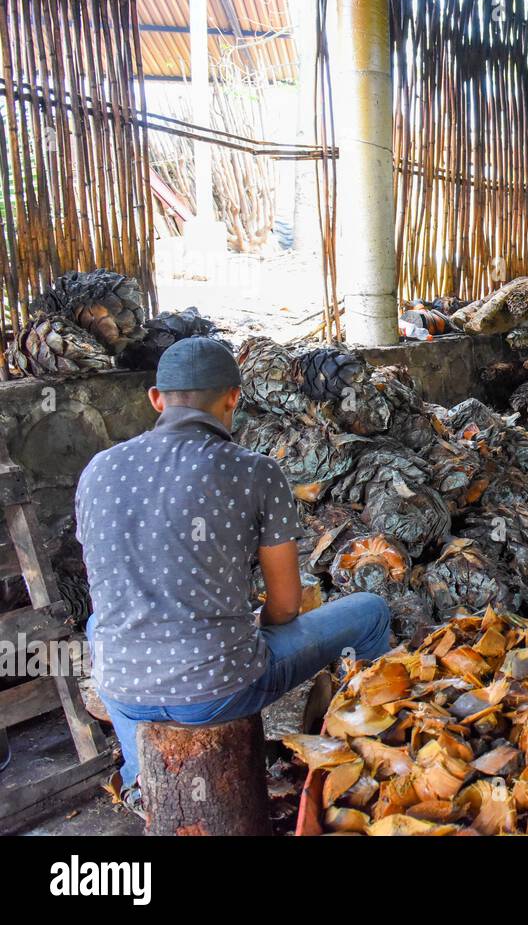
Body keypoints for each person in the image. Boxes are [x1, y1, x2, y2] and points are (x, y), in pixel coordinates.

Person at [77, 337, 391, 806]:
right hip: (219, 690)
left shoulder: (99, 469)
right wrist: (252, 623)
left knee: (99, 623)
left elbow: (110, 583)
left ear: (156, 399)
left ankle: (142, 775)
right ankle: (367, 758)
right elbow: (284, 607)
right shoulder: (256, 471)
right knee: (370, 610)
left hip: (124, 687)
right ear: (233, 398)